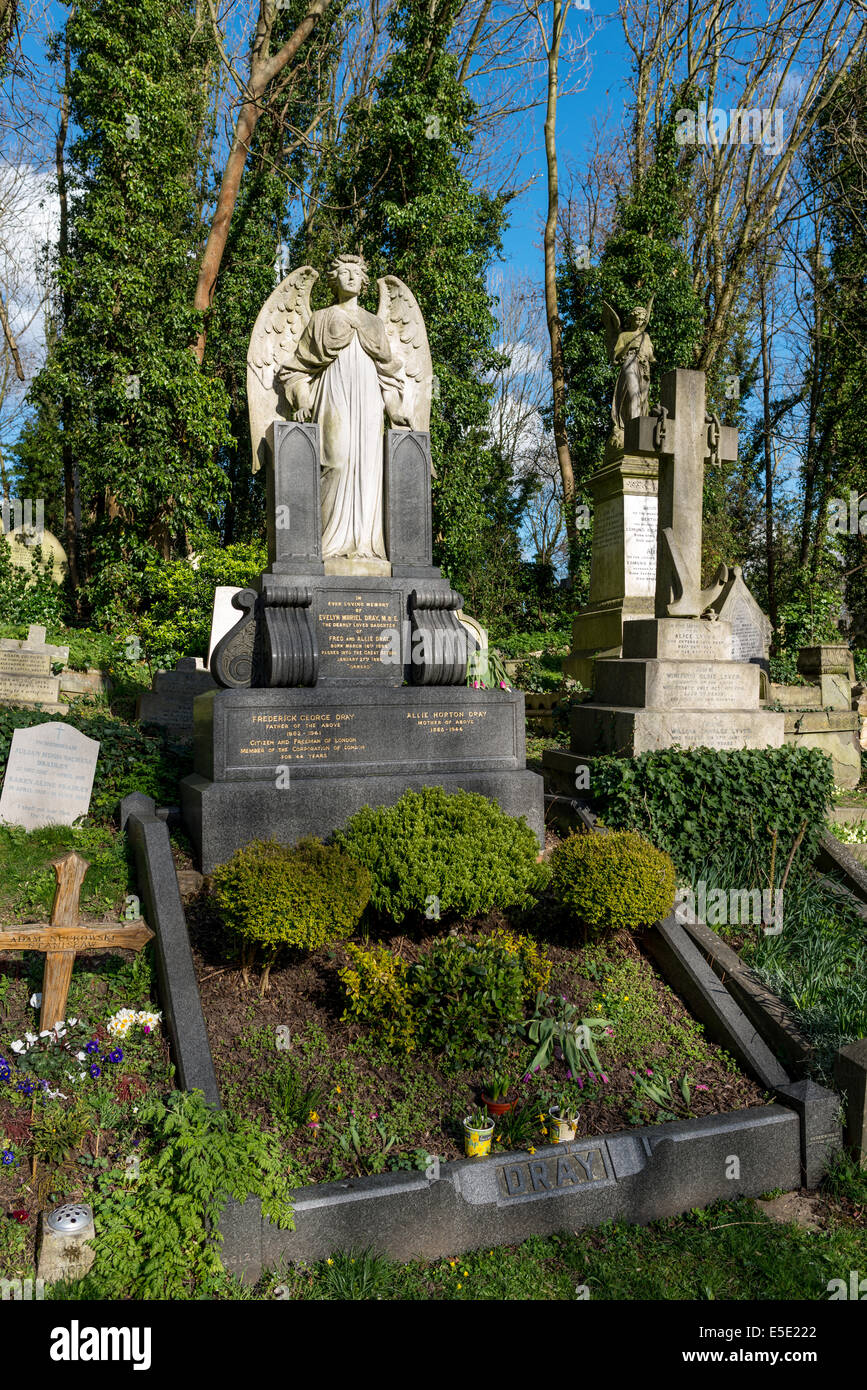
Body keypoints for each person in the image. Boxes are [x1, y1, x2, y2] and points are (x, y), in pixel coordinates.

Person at [279, 253, 409, 561]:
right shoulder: (321, 318)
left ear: (364, 283)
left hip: (368, 399)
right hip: (333, 392)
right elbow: (295, 369)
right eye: (344, 272)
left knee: (367, 468)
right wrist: (302, 399)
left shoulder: (375, 323)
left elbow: (388, 373)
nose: (350, 277)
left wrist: (394, 407)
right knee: (335, 462)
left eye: (356, 273)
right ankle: (328, 545)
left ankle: (363, 544)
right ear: (334, 281)